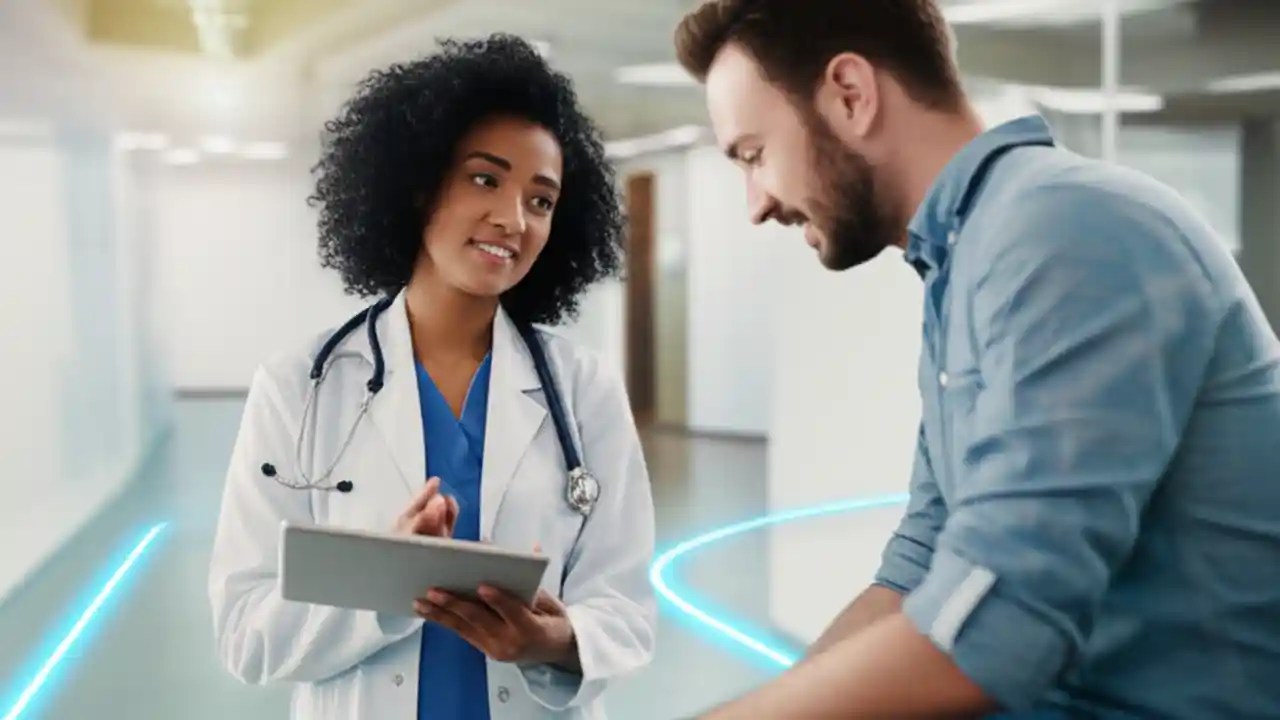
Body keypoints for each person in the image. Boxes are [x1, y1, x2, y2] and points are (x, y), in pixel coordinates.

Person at [672, 1, 1280, 718]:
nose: (756, 203)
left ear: (850, 95)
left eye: (753, 154)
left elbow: (1000, 626)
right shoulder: (964, 262)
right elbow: (919, 568)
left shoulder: (1063, 228)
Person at [207, 34, 656, 720]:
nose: (512, 219)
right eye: (485, 178)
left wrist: (551, 641)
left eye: (541, 201)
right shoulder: (300, 386)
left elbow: (625, 610)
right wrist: (387, 587)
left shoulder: (584, 390)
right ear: (419, 186)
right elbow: (245, 633)